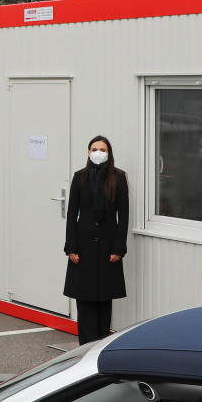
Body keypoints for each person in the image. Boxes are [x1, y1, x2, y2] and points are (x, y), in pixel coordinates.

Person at [63, 135, 129, 345]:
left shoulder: (118, 178)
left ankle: (101, 349)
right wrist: (70, 246)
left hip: (108, 248)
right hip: (83, 247)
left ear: (109, 153)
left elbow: (124, 215)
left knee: (104, 301)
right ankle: (86, 351)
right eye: (94, 149)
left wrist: (119, 247)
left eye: (102, 149)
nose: (98, 152)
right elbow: (72, 214)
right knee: (84, 301)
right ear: (88, 152)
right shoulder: (79, 177)